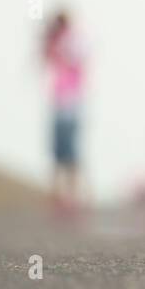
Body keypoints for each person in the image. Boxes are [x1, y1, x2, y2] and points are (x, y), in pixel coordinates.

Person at [43, 11, 86, 214]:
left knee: (70, 151)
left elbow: (78, 57)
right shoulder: (55, 42)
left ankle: (73, 196)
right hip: (59, 102)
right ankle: (59, 195)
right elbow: (44, 58)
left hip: (71, 103)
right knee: (58, 152)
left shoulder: (75, 40)